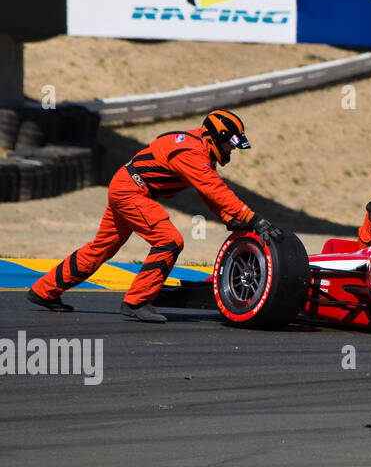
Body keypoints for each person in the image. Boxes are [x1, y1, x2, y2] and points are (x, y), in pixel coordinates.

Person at [27, 110, 275, 323]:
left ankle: (44, 291)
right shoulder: (191, 152)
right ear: (216, 137)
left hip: (127, 185)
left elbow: (207, 192)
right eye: (229, 143)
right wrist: (252, 218)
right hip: (133, 191)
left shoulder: (198, 146)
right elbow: (213, 189)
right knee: (169, 241)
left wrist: (229, 218)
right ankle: (137, 302)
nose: (231, 149)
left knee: (100, 248)